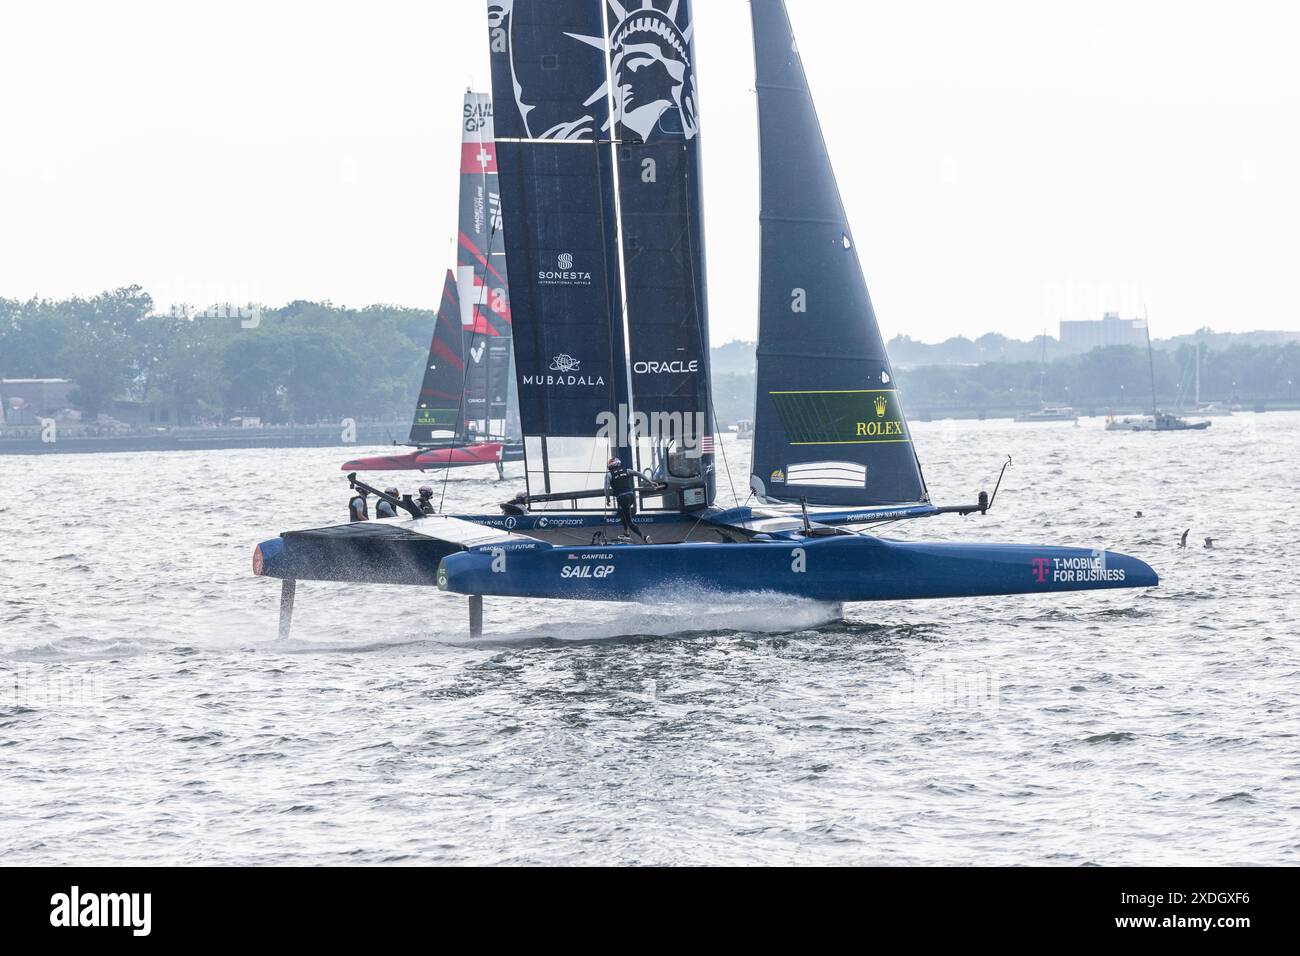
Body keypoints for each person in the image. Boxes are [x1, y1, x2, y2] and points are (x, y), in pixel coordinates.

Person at [604, 456, 649, 542]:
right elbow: (639, 474)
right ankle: (626, 533)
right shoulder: (626, 470)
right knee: (622, 513)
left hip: (622, 498)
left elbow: (606, 488)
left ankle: (644, 537)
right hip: (631, 496)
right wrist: (651, 482)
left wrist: (608, 499)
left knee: (629, 522)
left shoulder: (609, 474)